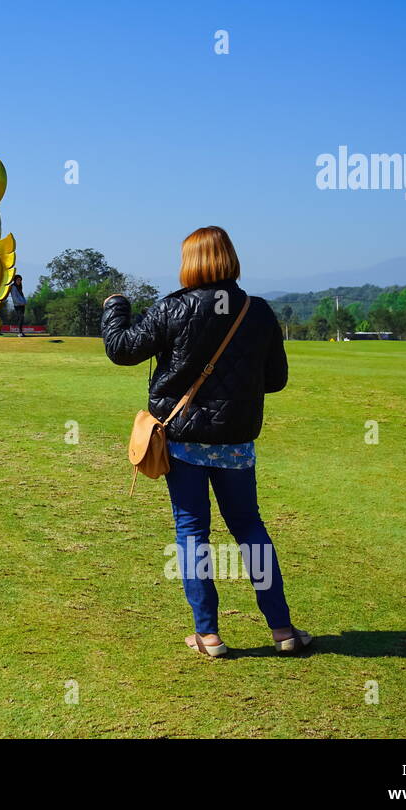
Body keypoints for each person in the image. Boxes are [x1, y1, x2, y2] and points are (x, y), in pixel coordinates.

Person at [101, 225, 303, 658]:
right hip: (235, 443)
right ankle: (282, 629)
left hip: (183, 441)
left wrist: (115, 306)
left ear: (189, 262)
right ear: (230, 258)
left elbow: (121, 349)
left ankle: (208, 634)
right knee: (250, 529)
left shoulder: (172, 309)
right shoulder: (258, 311)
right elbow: (276, 379)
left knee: (192, 530)